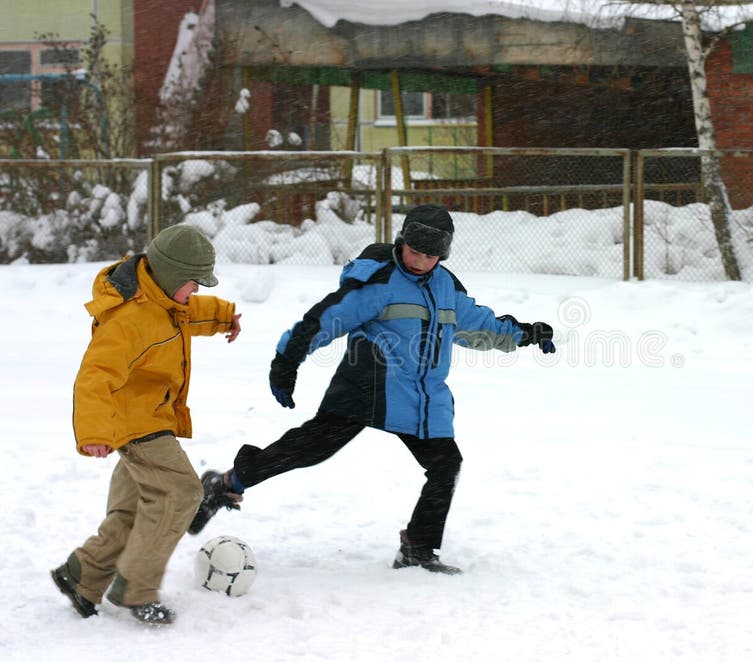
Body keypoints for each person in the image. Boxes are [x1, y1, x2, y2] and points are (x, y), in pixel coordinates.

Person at [189, 203, 555, 575]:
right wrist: (288, 360)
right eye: (414, 251)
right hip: (366, 387)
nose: (421, 261)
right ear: (402, 242)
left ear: (442, 255)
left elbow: (480, 325)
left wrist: (525, 333)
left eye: (431, 255)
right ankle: (225, 484)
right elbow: (326, 319)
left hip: (421, 399)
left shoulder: (446, 288)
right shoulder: (378, 281)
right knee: (308, 450)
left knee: (446, 464)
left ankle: (418, 548)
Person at [51, 224, 242, 625]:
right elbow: (94, 375)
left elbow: (189, 313)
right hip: (137, 425)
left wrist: (225, 316)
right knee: (179, 493)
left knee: (137, 507)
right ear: (171, 275)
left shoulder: (164, 300)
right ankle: (137, 587)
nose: (195, 291)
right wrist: (95, 433)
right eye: (192, 283)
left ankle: (82, 576)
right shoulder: (127, 319)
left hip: (148, 415)